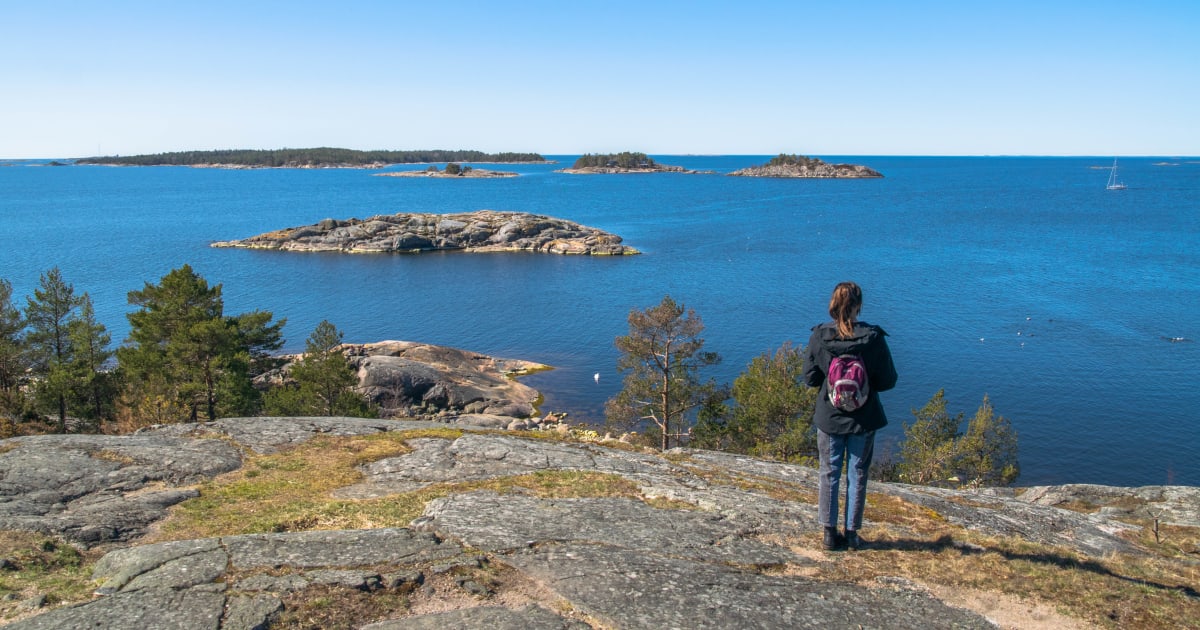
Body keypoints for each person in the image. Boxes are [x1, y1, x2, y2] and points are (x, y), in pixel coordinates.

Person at [803, 281, 897, 551]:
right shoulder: (873, 338)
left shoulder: (820, 336)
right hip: (863, 418)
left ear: (832, 305)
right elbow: (888, 380)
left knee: (829, 472)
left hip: (829, 417)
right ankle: (853, 534)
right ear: (859, 306)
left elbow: (810, 378)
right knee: (857, 473)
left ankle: (829, 535)